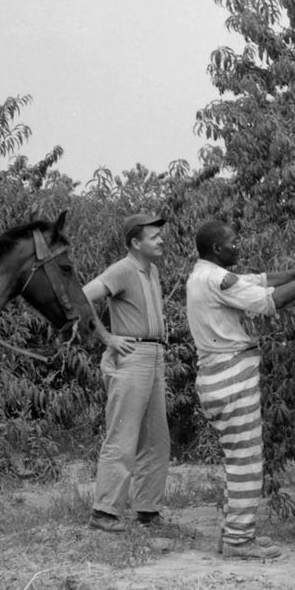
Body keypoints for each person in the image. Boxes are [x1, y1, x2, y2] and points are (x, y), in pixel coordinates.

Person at [185, 220, 295, 559]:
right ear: (218, 249)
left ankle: (236, 533)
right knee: (246, 462)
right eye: (233, 242)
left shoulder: (205, 275)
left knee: (240, 458)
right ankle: (239, 541)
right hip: (230, 376)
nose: (239, 246)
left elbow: (261, 281)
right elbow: (269, 301)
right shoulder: (216, 279)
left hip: (218, 375)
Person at [81, 213, 172, 534]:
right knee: (123, 436)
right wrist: (107, 338)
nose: (161, 240)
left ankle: (148, 510)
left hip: (154, 355)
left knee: (157, 439)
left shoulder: (153, 270)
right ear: (136, 243)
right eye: (154, 236)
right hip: (131, 355)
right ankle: (104, 512)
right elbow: (82, 297)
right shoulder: (121, 269)